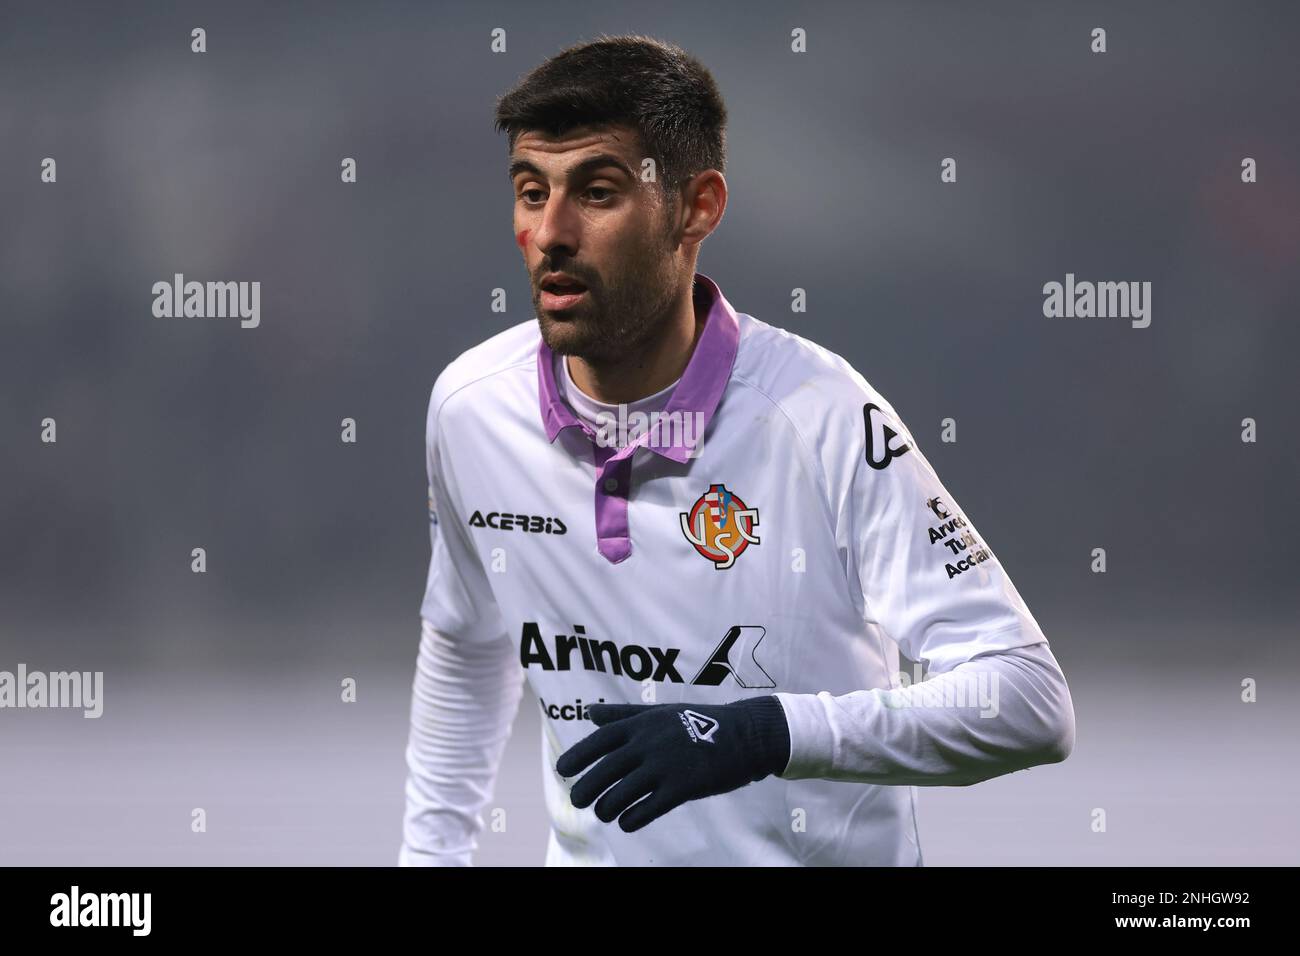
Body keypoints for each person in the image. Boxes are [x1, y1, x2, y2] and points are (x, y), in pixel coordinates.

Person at [400, 34, 1074, 866]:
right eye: (531, 192)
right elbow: (466, 647)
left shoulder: (821, 416)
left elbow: (1028, 701)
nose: (551, 232)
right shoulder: (470, 409)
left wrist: (765, 732)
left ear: (697, 207)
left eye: (598, 192)